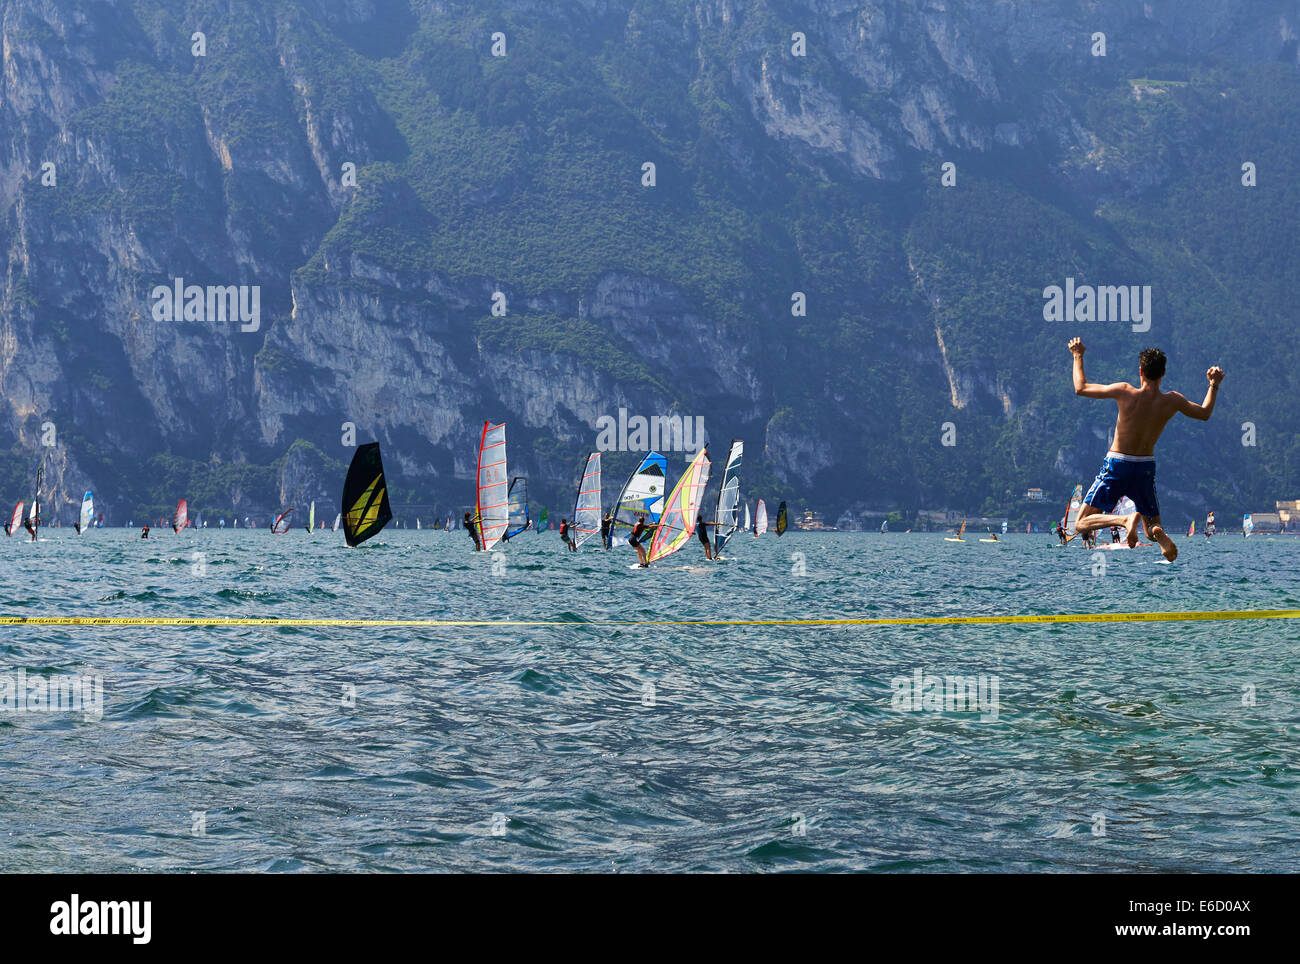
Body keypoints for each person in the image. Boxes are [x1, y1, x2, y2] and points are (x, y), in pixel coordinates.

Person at [1065, 339, 1222, 561]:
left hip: (1117, 464)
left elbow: (1081, 388)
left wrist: (1077, 354)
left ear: (1140, 371)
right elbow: (1204, 413)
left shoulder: (1125, 392)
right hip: (1145, 467)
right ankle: (1158, 533)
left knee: (1081, 523)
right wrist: (1213, 384)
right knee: (1151, 529)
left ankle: (1124, 520)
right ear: (1163, 373)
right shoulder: (1172, 401)